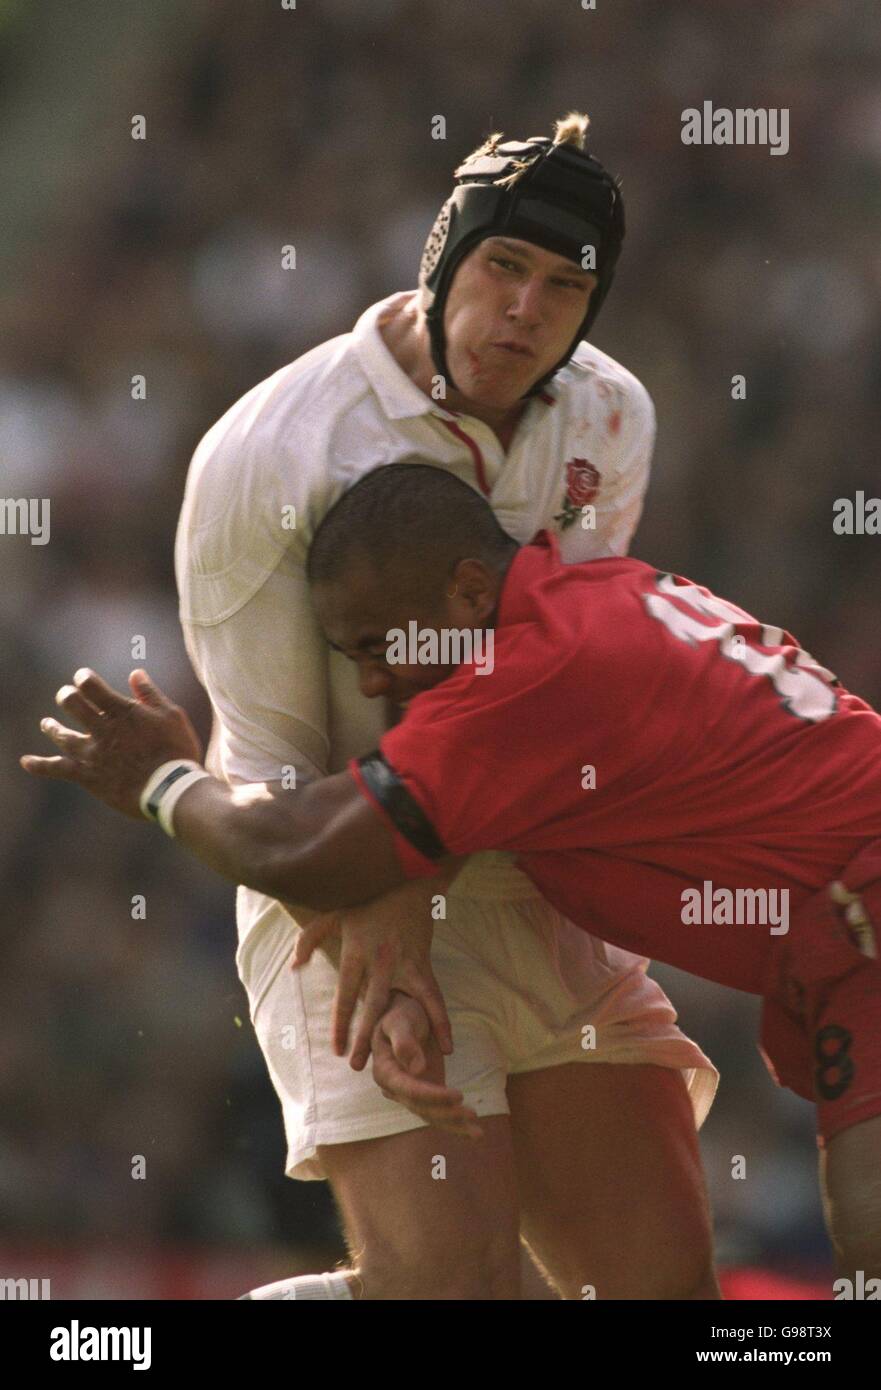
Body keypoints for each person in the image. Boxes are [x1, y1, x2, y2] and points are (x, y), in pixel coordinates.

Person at [26, 114, 723, 1303]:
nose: (523, 312)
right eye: (502, 269)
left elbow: (550, 689)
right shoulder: (269, 452)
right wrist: (382, 907)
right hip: (333, 889)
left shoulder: (610, 418)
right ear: (443, 260)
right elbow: (275, 760)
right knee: (448, 1290)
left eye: (564, 287)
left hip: (532, 880)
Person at [22, 461, 881, 1282]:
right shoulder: (600, 595)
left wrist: (164, 782)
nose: (367, 679)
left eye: (374, 642)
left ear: (469, 592)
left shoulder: (525, 679)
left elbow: (295, 851)